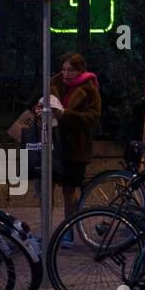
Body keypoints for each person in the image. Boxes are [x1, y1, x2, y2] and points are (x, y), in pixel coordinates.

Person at [46, 53, 102, 245]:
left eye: (70, 70)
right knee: (47, 187)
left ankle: (68, 230)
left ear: (80, 71)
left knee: (69, 191)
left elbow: (93, 117)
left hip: (75, 146)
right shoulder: (54, 85)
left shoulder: (89, 89)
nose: (65, 73)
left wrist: (66, 115)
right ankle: (47, 229)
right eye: (63, 69)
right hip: (53, 144)